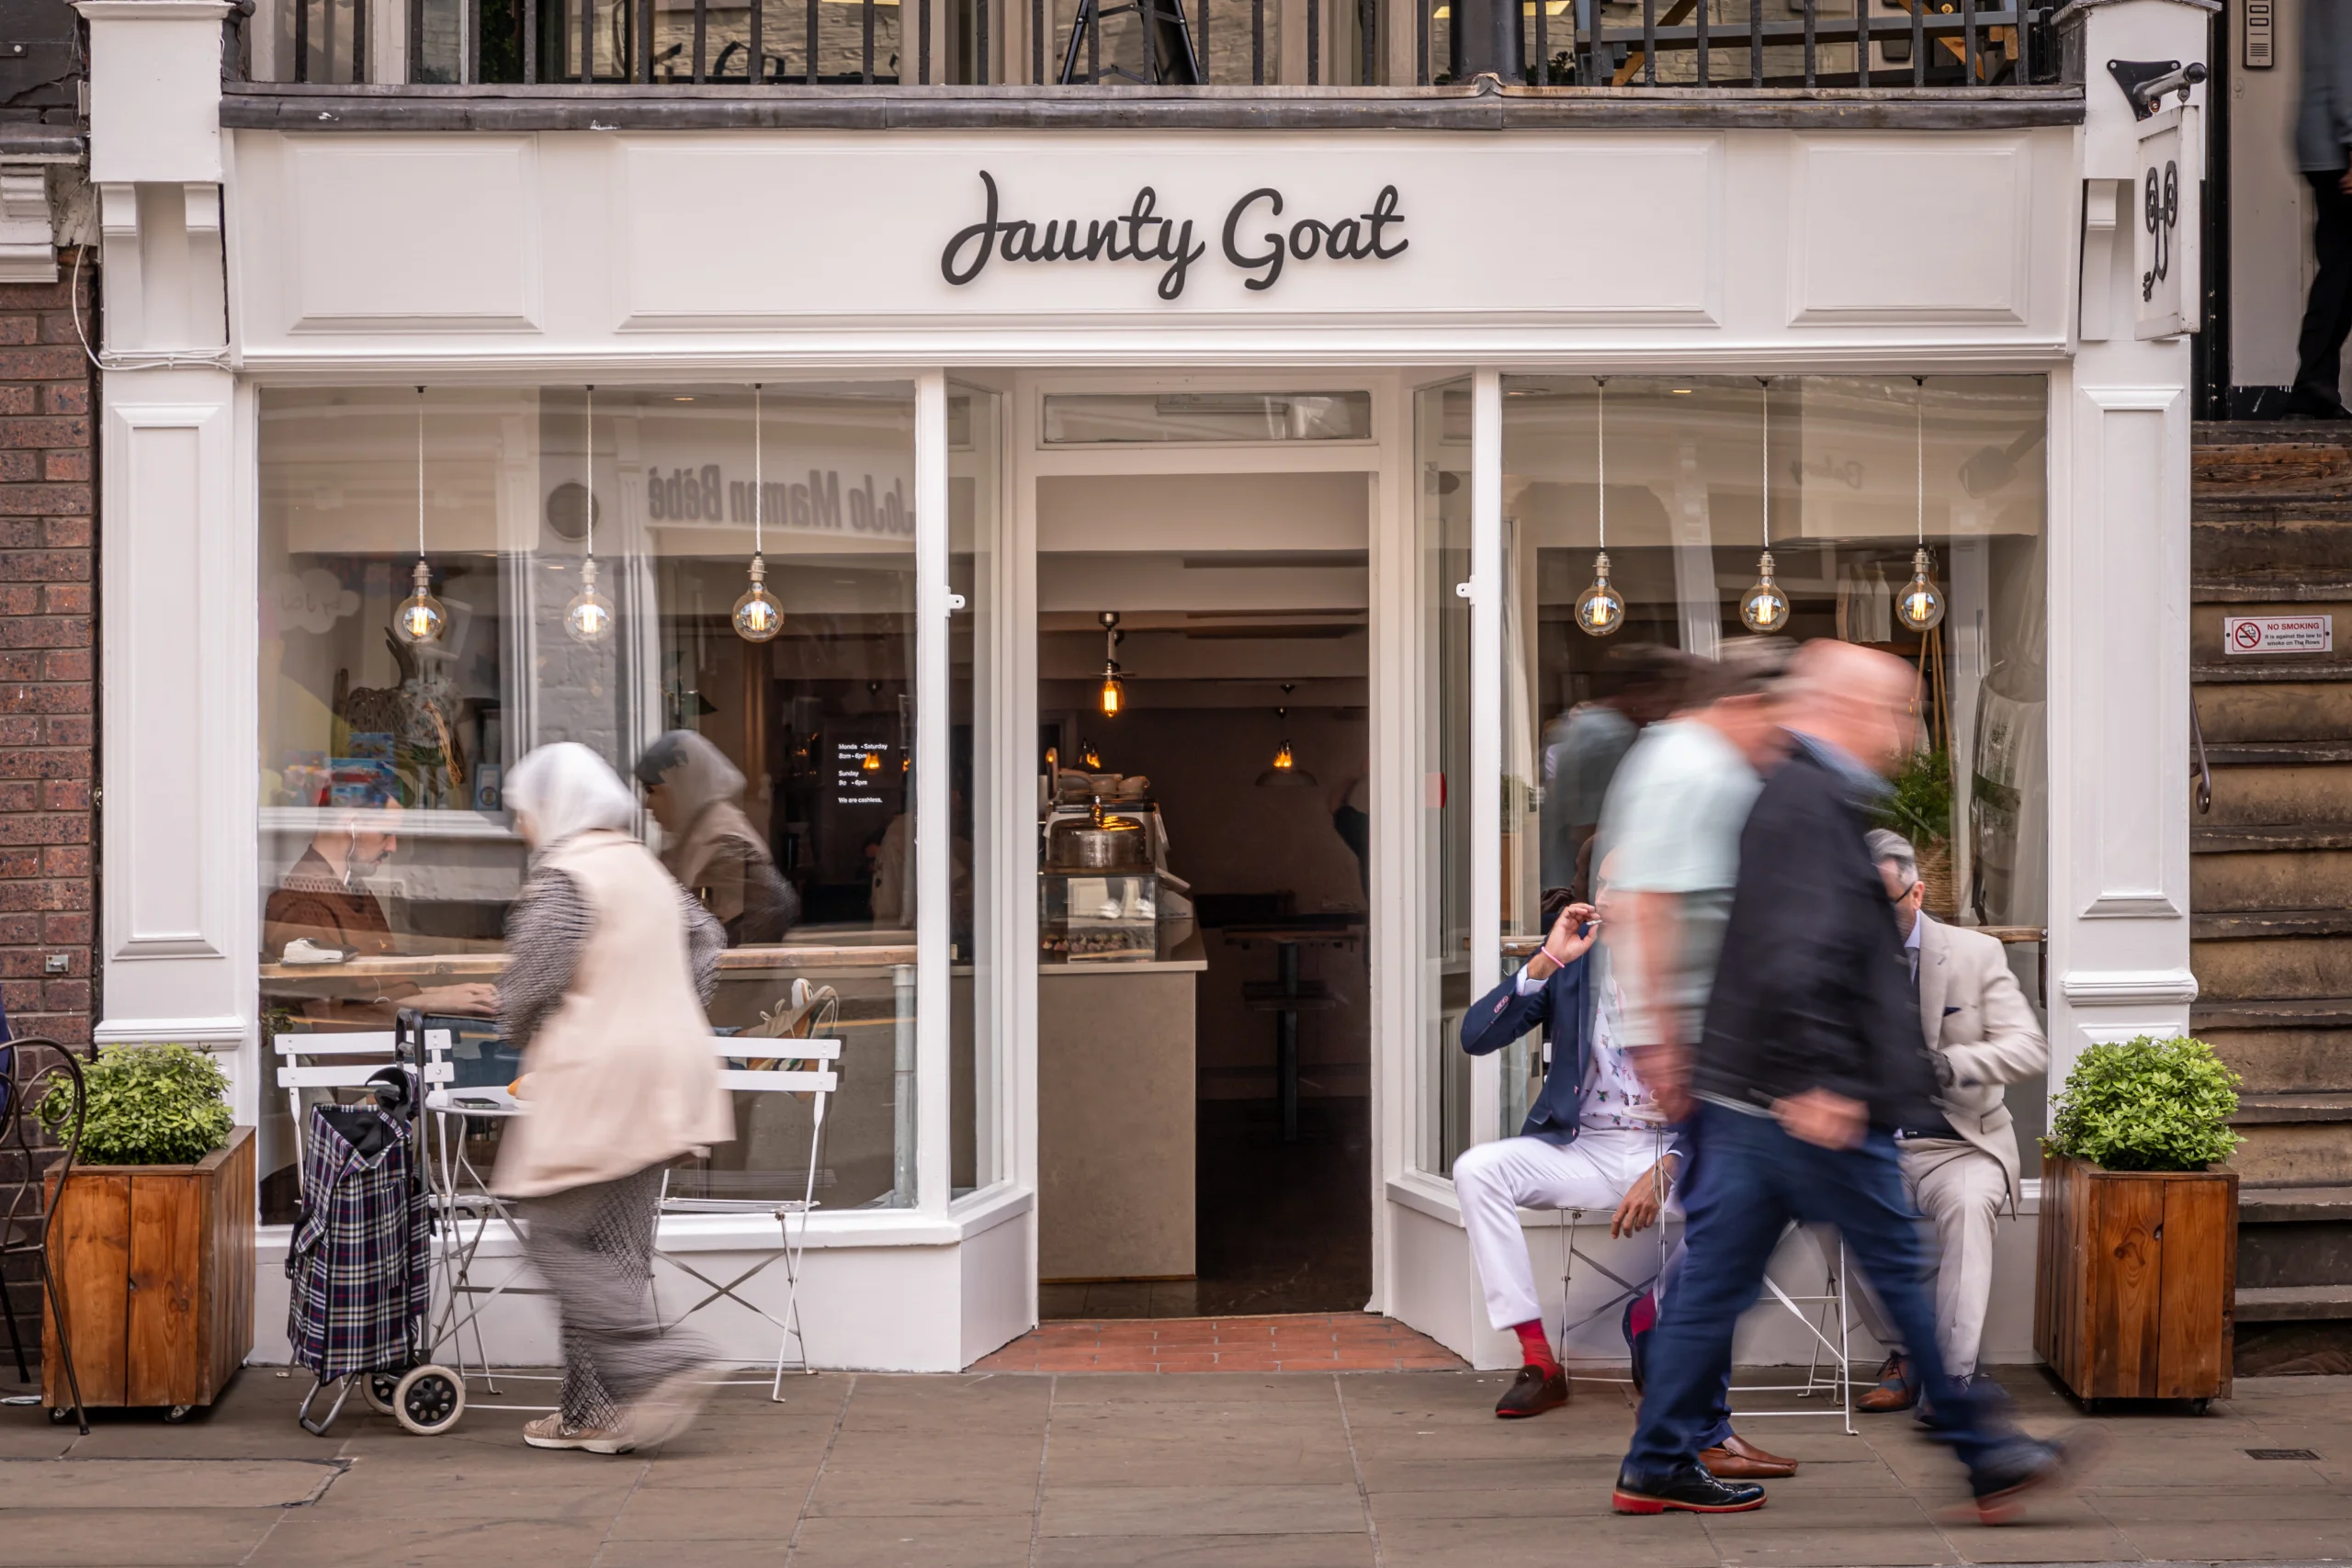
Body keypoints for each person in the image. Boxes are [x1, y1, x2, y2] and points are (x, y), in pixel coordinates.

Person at [1611, 639, 2075, 1521]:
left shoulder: (1797, 793)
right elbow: (1793, 946)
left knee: (1719, 1284)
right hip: (1805, 1098)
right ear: (1848, 710)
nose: (1905, 730)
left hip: (1757, 1091)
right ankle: (1984, 1450)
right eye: (1896, 711)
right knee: (1897, 1262)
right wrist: (1819, 1077)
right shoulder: (1806, 798)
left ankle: (1653, 1461)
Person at [493, 742, 734, 1455]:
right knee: (617, 1247)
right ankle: (593, 1415)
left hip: (602, 1078)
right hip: (669, 1076)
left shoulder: (568, 877)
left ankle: (664, 1360)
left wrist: (520, 1021)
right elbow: (708, 940)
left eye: (524, 813)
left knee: (555, 1235)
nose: (521, 829)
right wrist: (663, 1005)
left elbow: (527, 988)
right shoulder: (644, 866)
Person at [1596, 637, 1798, 1481]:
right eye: (1776, 724)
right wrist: (1664, 1047)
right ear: (1744, 705)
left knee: (1724, 1250)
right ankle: (1684, 1429)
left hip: (1732, 1053)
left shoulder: (1693, 764)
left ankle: (1688, 1425)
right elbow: (1649, 908)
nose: (1781, 745)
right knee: (1725, 1254)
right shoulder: (1689, 765)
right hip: (1722, 1057)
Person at [1454, 885, 1679, 1418]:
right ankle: (1538, 1359)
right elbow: (1475, 1037)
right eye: (1603, 885)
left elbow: (1740, 1091)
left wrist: (1672, 1163)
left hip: (1680, 1151)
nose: (1608, 897)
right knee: (1477, 1169)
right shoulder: (1575, 967)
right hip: (1587, 1147)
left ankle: (1653, 1315)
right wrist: (1548, 960)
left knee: (1769, 1185)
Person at [1853, 829, 2050, 1413]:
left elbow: (2029, 1048)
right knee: (1829, 1203)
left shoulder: (1974, 953)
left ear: (1915, 895)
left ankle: (1953, 1380)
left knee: (1967, 1208)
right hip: (1874, 1145)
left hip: (1960, 1143)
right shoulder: (1843, 963)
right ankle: (1907, 1353)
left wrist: (1948, 1065)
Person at [262, 795, 497, 1019]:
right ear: (351, 825)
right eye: (386, 833)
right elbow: (328, 1012)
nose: (392, 846)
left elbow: (373, 989)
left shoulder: (352, 888)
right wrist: (432, 1002)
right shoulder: (304, 902)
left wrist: (445, 993)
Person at [634, 730, 800, 946]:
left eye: (653, 790)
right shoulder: (694, 837)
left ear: (683, 787)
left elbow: (769, 912)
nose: (647, 804)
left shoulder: (722, 844)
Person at [2292, 0, 2352, 420]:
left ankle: (2313, 389)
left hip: (2325, 146)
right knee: (2342, 271)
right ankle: (2313, 385)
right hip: (2337, 148)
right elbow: (2346, 67)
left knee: (2342, 269)